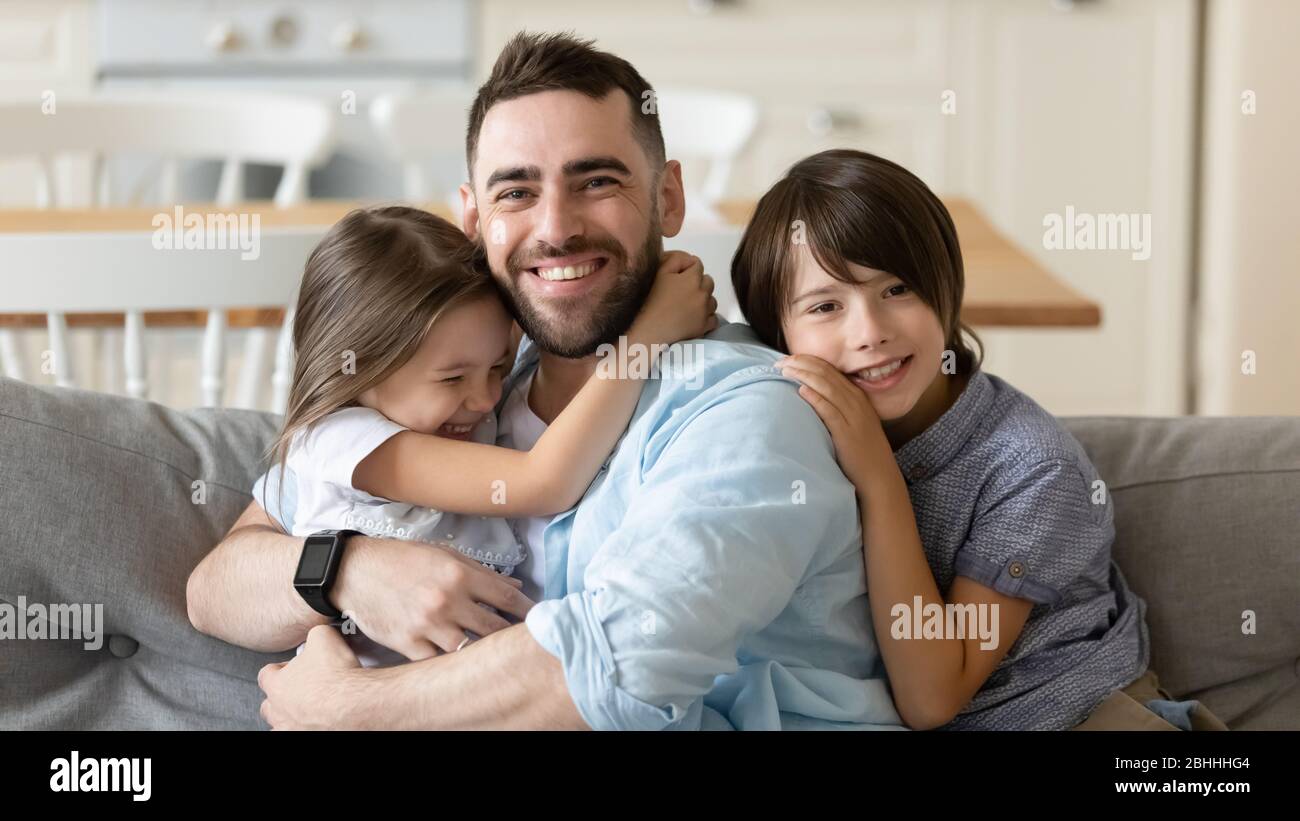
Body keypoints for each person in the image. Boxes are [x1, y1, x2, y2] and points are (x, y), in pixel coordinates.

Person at [188, 31, 904, 730]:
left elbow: (618, 668)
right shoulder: (478, 389)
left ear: (669, 198)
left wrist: (347, 710)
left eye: (597, 181)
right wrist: (348, 571)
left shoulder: (747, 415)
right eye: (517, 192)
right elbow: (218, 584)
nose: (556, 228)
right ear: (473, 220)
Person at [737, 148, 1224, 731]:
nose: (870, 332)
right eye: (826, 306)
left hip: (1078, 716)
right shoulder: (781, 421)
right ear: (778, 335)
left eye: (897, 290)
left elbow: (932, 698)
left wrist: (879, 479)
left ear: (945, 286)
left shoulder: (1033, 469)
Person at [265, 205, 714, 666]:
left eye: (498, 365)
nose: (484, 399)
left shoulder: (460, 412)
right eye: (452, 379)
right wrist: (647, 337)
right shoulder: (340, 440)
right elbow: (544, 483)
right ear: (359, 371)